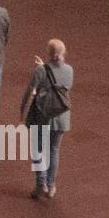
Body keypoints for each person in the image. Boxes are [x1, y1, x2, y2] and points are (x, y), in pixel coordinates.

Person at [21, 39, 72, 199]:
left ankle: (40, 183)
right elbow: (58, 83)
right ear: (63, 53)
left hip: (42, 115)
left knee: (38, 149)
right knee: (54, 149)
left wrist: (22, 110)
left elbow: (31, 90)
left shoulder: (41, 71)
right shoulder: (69, 70)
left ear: (49, 53)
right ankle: (51, 185)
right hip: (61, 116)